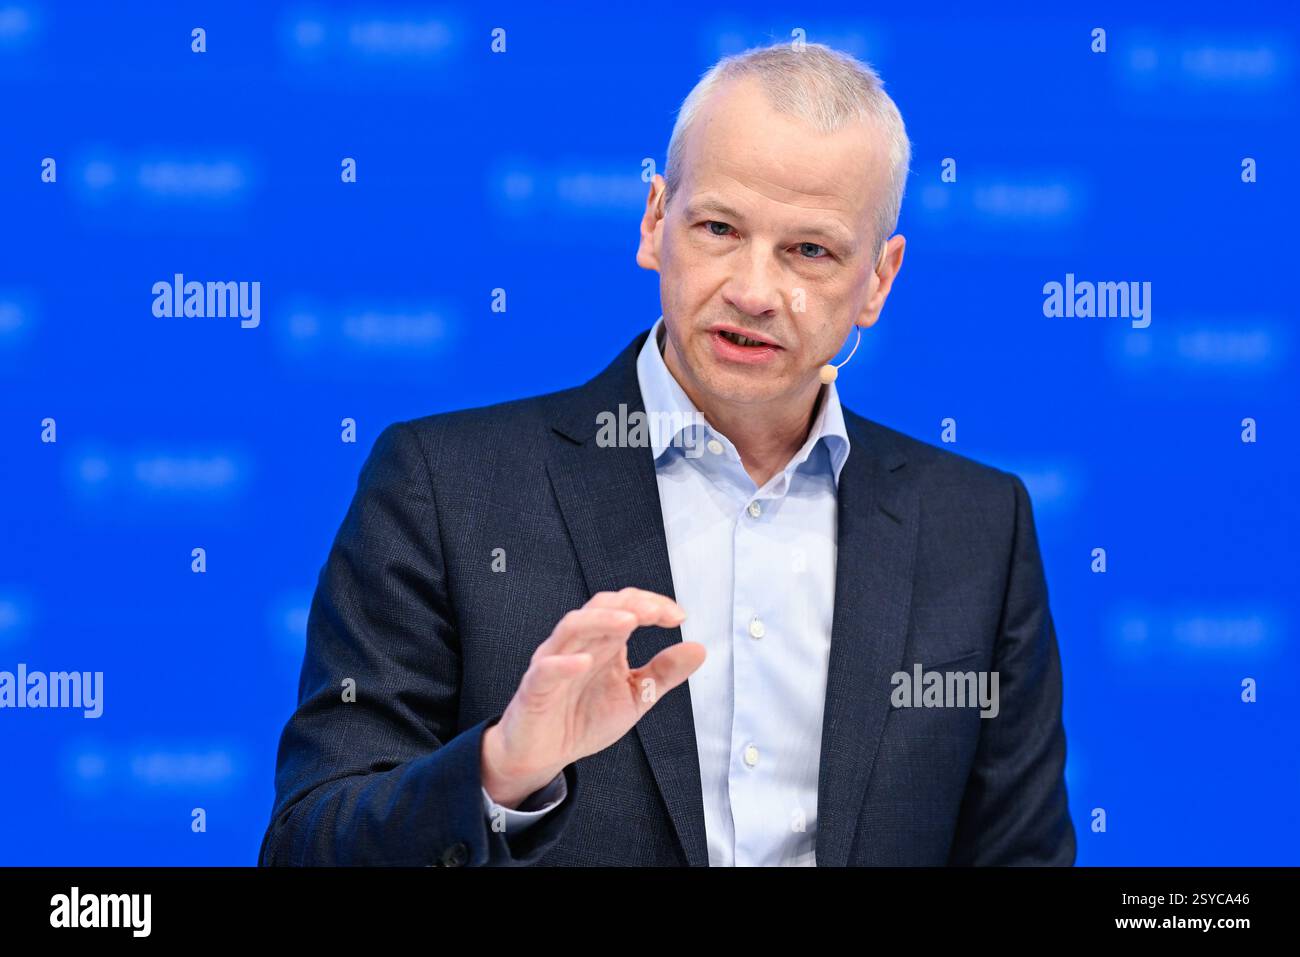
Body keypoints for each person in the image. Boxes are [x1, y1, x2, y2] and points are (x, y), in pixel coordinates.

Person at [259, 41, 1074, 867]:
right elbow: (306, 847)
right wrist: (503, 770)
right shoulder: (444, 486)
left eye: (810, 251)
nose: (754, 290)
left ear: (878, 279)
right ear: (655, 220)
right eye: (719, 228)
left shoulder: (979, 525)